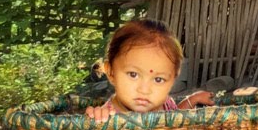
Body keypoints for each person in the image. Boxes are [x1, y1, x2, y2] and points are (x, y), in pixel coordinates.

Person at [85, 19, 214, 122]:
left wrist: (192, 100)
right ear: (111, 72)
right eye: (133, 74)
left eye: (158, 79)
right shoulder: (108, 117)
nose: (145, 90)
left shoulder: (165, 103)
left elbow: (174, 120)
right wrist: (92, 124)